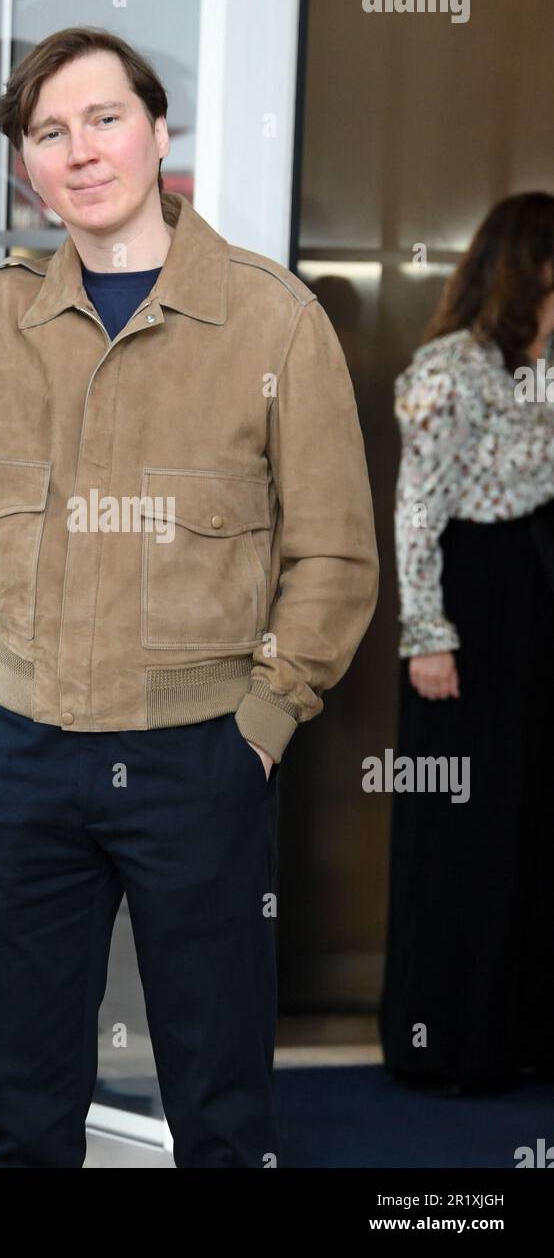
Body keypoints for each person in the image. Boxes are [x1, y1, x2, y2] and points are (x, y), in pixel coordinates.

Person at [0, 26, 378, 1167]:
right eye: (48, 132)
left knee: (218, 1109)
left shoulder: (271, 322)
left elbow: (335, 557)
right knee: (23, 1113)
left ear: (159, 134)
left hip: (198, 758)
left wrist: (260, 724)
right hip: (21, 759)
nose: (81, 148)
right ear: (26, 167)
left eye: (103, 118)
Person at [380, 192, 554, 1096]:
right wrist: (426, 634)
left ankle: (522, 1029)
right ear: (528, 267)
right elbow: (418, 509)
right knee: (465, 828)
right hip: (469, 603)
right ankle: (445, 1037)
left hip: (535, 595)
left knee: (530, 819)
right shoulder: (451, 366)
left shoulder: (545, 367)